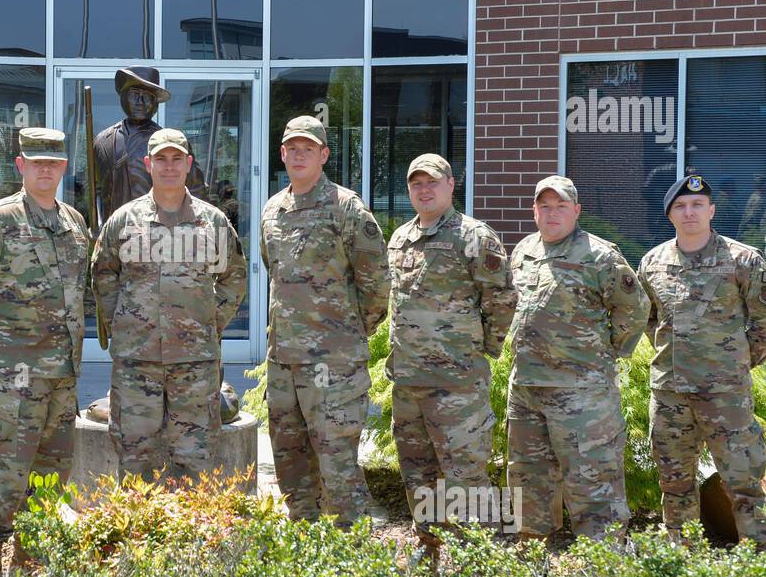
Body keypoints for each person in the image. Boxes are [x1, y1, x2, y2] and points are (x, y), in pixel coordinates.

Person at [0, 128, 90, 575]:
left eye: (53, 162)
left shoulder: (74, 222)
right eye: (36, 161)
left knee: (53, 469)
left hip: (61, 374)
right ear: (20, 166)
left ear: (64, 167)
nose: (45, 169)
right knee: (7, 469)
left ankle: (29, 559)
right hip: (10, 374)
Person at [638, 174, 766, 549]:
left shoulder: (742, 259)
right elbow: (647, 318)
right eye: (680, 206)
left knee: (743, 483)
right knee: (674, 482)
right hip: (670, 394)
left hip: (725, 395)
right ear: (670, 215)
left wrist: (739, 360)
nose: (689, 212)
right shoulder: (652, 262)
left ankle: (758, 561)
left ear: (712, 210)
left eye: (697, 205)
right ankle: (679, 556)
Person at [92, 128, 247, 480]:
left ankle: (192, 535)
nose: (169, 166)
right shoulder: (124, 221)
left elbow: (234, 277)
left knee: (196, 459)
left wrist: (209, 322)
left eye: (177, 158)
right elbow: (103, 275)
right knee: (134, 458)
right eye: (160, 159)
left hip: (195, 362)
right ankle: (135, 532)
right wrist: (123, 322)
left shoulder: (213, 222)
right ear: (147, 164)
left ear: (189, 164)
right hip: (137, 362)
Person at [259, 116, 388, 526]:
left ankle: (353, 550)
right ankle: (305, 545)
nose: (299, 155)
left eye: (308, 149)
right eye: (292, 148)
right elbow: (274, 272)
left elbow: (377, 282)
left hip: (331, 364)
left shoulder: (346, 207)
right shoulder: (272, 210)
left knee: (336, 461)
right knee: (290, 460)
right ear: (282, 154)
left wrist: (346, 335)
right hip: (284, 362)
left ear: (324, 155)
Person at [506, 175, 649, 541]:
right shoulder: (524, 250)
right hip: (526, 391)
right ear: (534, 210)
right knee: (527, 482)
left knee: (593, 489)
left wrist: (604, 354)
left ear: (577, 211)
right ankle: (531, 566)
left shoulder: (600, 256)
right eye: (545, 206)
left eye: (561, 206)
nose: (552, 213)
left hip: (583, 395)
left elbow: (634, 311)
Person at [387, 153, 516, 549]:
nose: (424, 190)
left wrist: (480, 351)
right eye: (416, 183)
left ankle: (479, 567)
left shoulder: (474, 237)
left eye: (432, 182)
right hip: (408, 384)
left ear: (450, 185)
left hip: (457, 386)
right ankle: (431, 552)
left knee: (465, 480)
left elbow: (502, 299)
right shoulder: (400, 239)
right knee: (418, 475)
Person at [92, 66, 208, 224]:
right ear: (122, 97)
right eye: (134, 95)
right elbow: (97, 190)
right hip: (114, 234)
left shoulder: (170, 143)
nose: (140, 102)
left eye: (147, 96)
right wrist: (99, 223)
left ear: (156, 103)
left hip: (159, 235)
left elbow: (196, 190)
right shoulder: (103, 140)